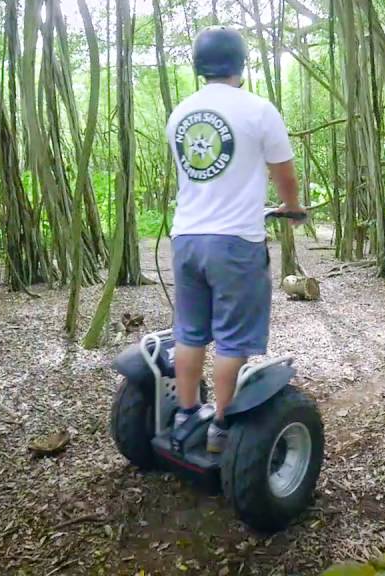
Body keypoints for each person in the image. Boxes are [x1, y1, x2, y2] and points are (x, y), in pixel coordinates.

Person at [165, 26, 305, 454]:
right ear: (240, 64)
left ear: (199, 65)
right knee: (230, 340)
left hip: (186, 237)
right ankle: (221, 426)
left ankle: (186, 414)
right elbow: (283, 171)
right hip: (234, 242)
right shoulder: (258, 110)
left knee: (189, 333)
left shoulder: (181, 114)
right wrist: (293, 207)